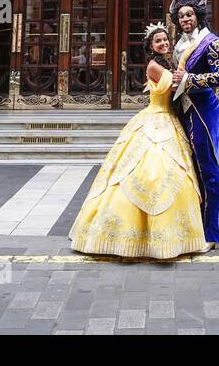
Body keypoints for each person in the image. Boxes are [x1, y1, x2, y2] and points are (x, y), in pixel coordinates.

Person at [69, 24, 209, 260]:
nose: (163, 43)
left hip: (169, 119)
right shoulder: (154, 66)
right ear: (151, 46)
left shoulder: (169, 63)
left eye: (165, 39)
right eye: (158, 41)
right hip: (156, 119)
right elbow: (177, 85)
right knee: (150, 172)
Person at [169, 0, 219, 248]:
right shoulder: (179, 45)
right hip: (184, 110)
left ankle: (211, 233)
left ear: (198, 16)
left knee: (209, 169)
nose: (185, 19)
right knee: (192, 168)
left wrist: (189, 80)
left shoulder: (212, 43)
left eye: (189, 14)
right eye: (181, 16)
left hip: (204, 110)